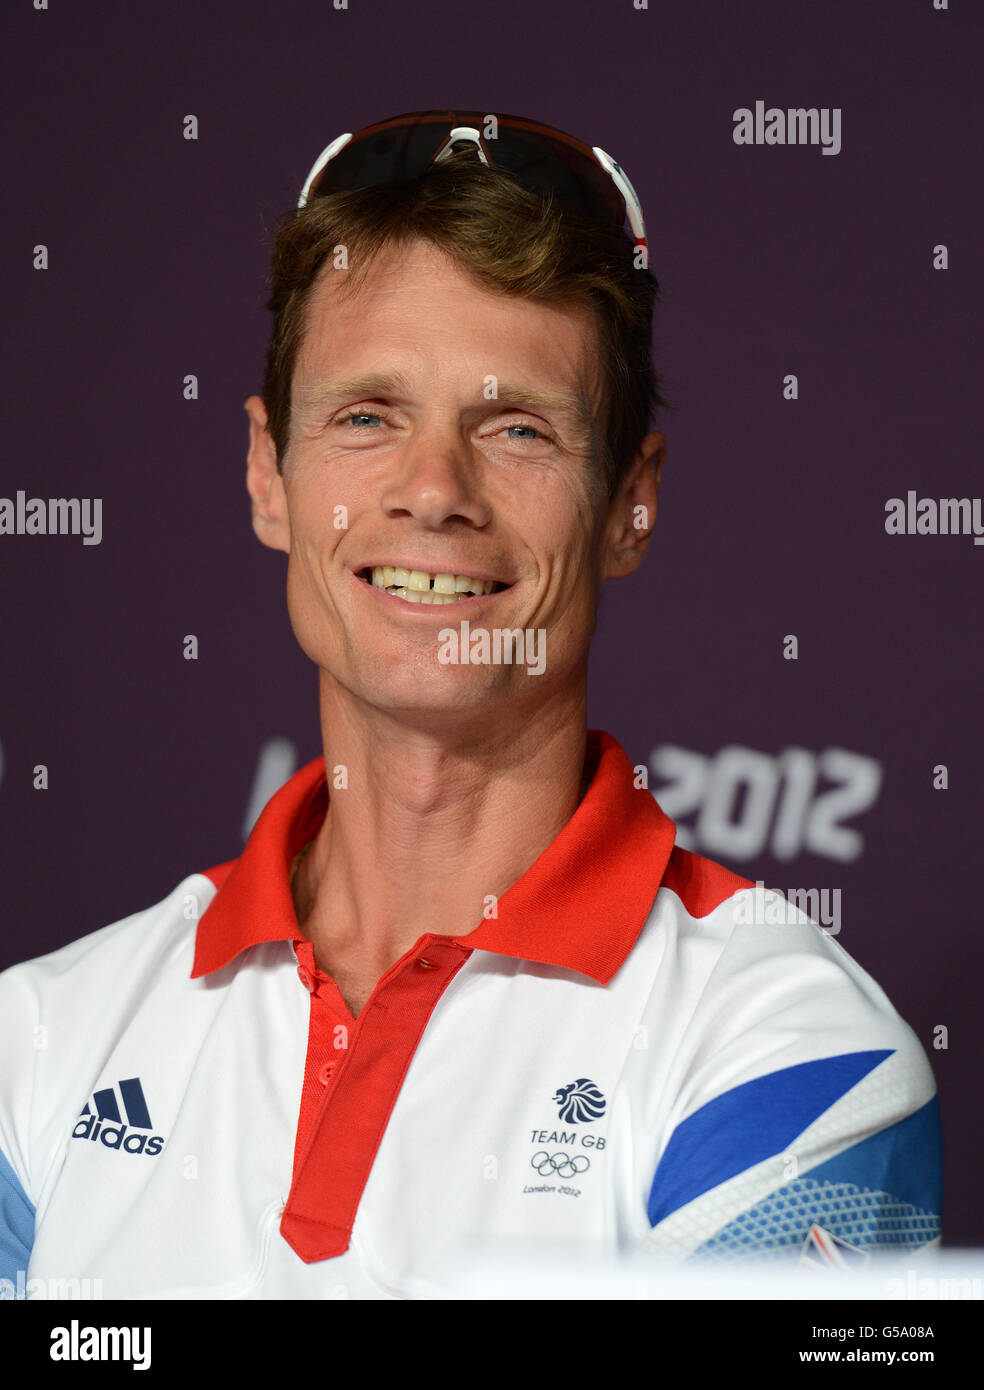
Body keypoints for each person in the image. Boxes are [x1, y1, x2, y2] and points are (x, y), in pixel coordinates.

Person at [0, 110, 941, 1299]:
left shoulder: (794, 1059)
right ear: (265, 473)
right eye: (366, 416)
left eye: (516, 428)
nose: (434, 490)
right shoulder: (34, 1050)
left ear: (628, 504)